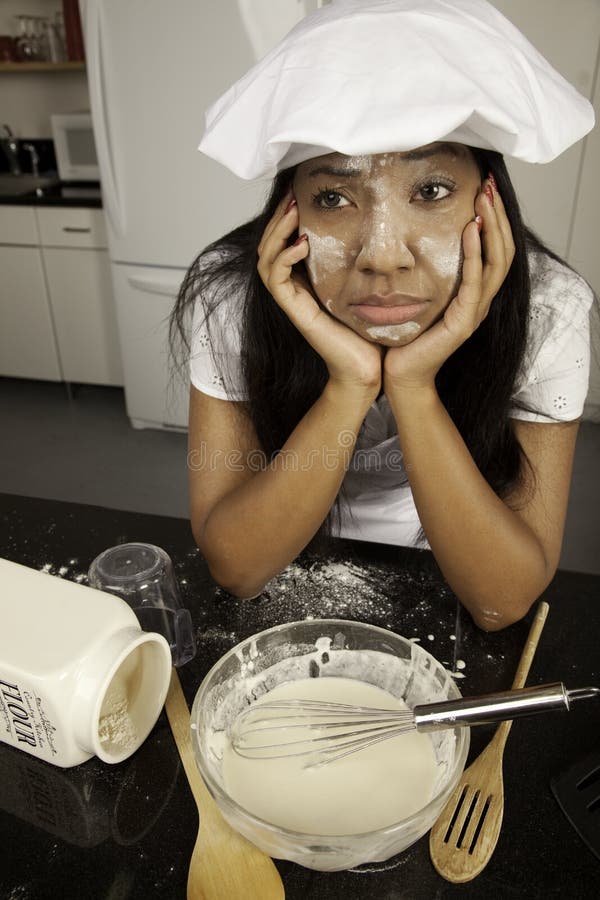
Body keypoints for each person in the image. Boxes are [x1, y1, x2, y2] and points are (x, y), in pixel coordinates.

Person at [170, 0, 595, 631]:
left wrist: (414, 385)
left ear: (490, 199)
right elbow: (238, 566)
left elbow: (502, 600)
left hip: (457, 551)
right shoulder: (232, 298)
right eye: (334, 197)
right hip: (290, 549)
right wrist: (350, 383)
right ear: (291, 210)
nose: (383, 255)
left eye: (430, 191)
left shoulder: (549, 311)